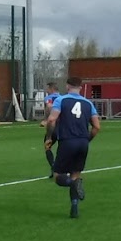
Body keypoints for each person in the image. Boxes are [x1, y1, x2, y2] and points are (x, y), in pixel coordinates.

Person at [43, 76, 100, 219]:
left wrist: (49, 137)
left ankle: (72, 184)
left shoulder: (61, 100)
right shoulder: (88, 103)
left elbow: (51, 119)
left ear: (67, 87)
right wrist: (87, 140)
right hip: (83, 142)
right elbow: (97, 127)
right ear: (80, 88)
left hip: (67, 142)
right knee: (75, 174)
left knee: (57, 177)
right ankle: (74, 208)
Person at [40, 81, 61, 171]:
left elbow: (49, 107)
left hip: (53, 127)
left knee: (47, 146)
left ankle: (53, 166)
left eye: (48, 88)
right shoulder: (63, 98)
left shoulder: (49, 98)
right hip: (63, 127)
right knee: (62, 148)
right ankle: (63, 168)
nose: (47, 90)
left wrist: (46, 119)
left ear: (52, 89)